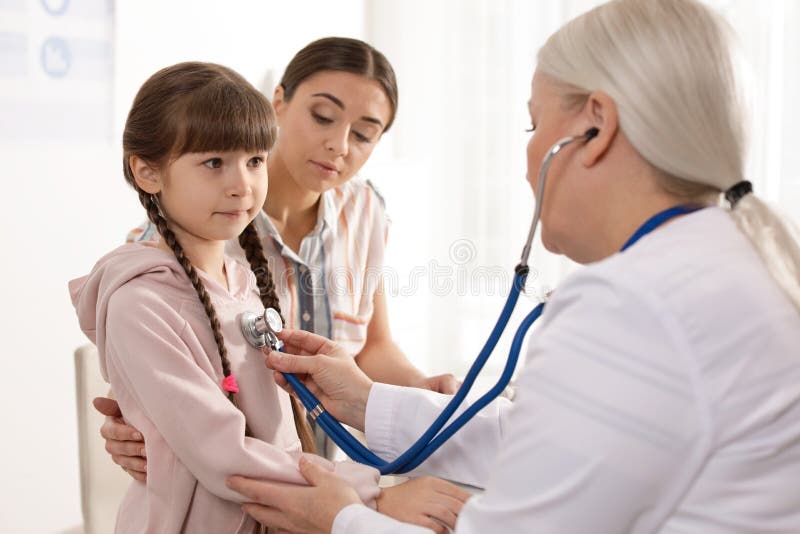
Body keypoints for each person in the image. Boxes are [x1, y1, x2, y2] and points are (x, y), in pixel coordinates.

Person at [223, 0, 800, 532]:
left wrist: (347, 516)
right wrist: (366, 401)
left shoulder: (636, 306)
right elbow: (540, 440)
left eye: (533, 123)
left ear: (594, 126)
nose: (526, 158)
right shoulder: (716, 267)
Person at [70, 61, 468, 534]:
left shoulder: (248, 277)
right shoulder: (142, 296)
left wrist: (415, 402)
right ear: (147, 172)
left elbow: (362, 358)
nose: (241, 185)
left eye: (254, 161)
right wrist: (372, 498)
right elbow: (220, 449)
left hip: (290, 508)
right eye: (214, 162)